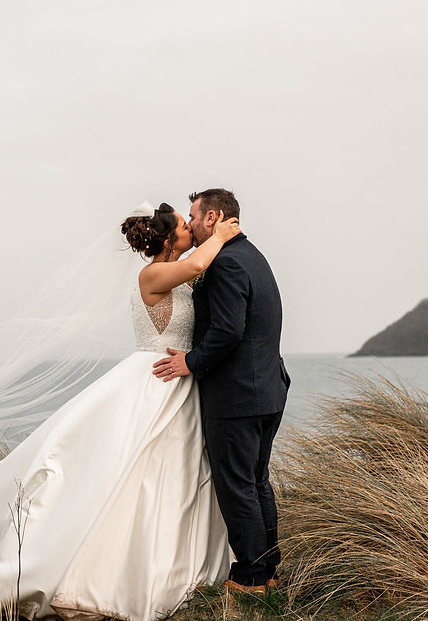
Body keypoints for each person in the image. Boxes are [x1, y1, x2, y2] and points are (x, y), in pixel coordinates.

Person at [0, 202, 243, 621]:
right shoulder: (153, 274)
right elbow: (196, 265)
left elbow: (198, 276)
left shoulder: (182, 274)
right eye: (182, 226)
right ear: (169, 238)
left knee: (167, 475)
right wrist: (222, 237)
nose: (189, 230)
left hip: (179, 379)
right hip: (152, 378)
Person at [153, 188, 289, 593]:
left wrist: (189, 362)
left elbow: (228, 330)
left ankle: (250, 578)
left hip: (238, 397)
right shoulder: (251, 256)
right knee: (256, 481)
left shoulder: (227, 263)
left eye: (193, 217)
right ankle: (268, 570)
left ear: (212, 217)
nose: (191, 225)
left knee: (237, 486)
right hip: (267, 390)